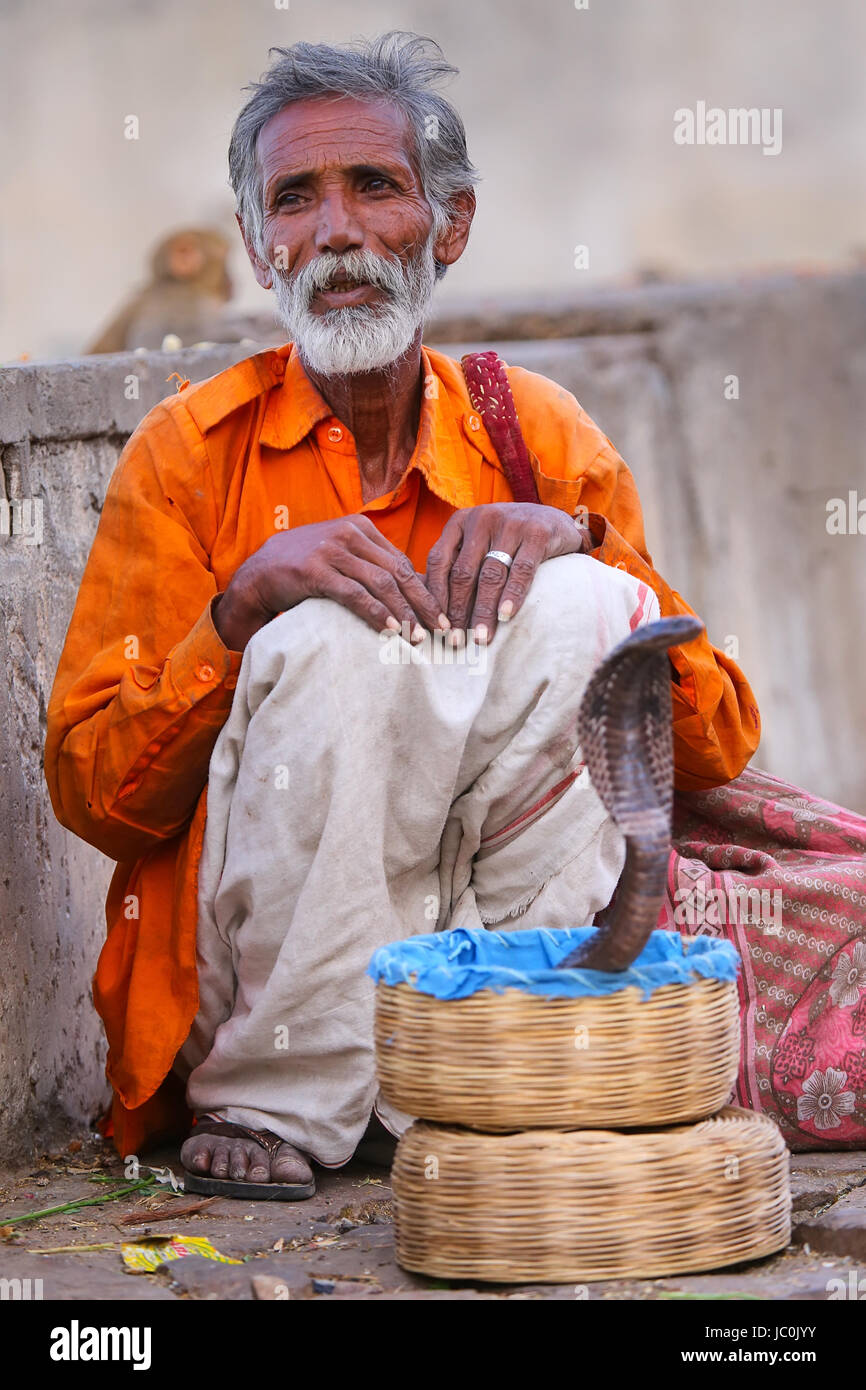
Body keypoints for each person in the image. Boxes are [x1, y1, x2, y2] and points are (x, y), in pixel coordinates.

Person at [45, 33, 759, 1198]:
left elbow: (716, 738)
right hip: (255, 998)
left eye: (372, 186)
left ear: (449, 224)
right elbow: (92, 790)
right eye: (293, 200)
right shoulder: (186, 456)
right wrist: (238, 614)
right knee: (320, 638)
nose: (334, 232)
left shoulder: (538, 435)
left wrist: (572, 540)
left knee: (587, 600)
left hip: (486, 973)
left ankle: (511, 1046)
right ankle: (286, 1095)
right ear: (255, 244)